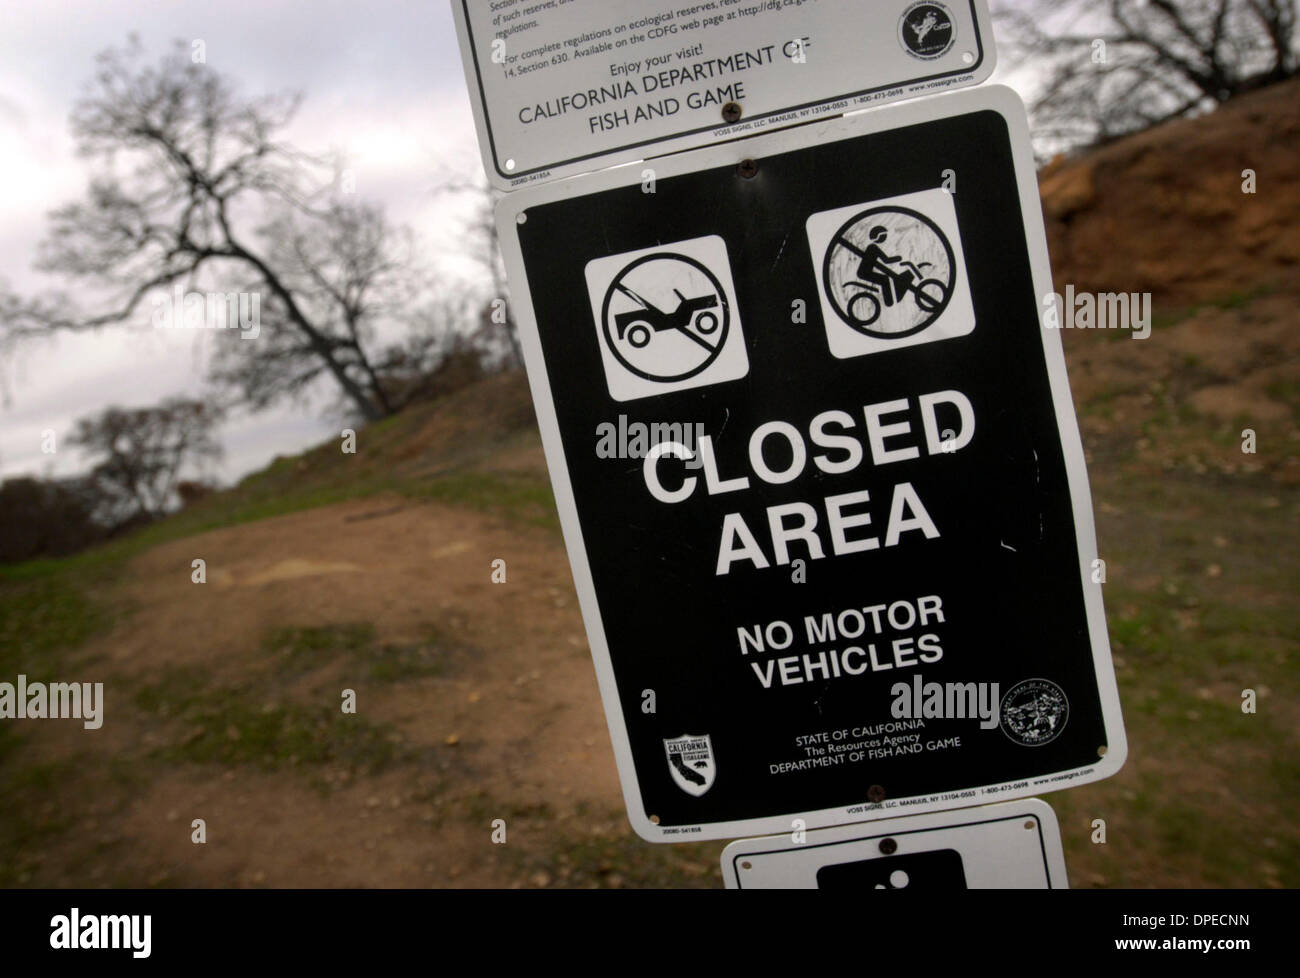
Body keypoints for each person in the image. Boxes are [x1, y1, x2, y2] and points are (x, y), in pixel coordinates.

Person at [856, 226, 908, 307]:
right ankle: (889, 301)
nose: (885, 237)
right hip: (865, 272)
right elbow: (886, 260)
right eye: (883, 235)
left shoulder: (872, 247)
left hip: (865, 272)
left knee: (886, 279)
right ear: (878, 236)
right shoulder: (873, 247)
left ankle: (889, 300)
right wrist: (898, 258)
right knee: (885, 280)